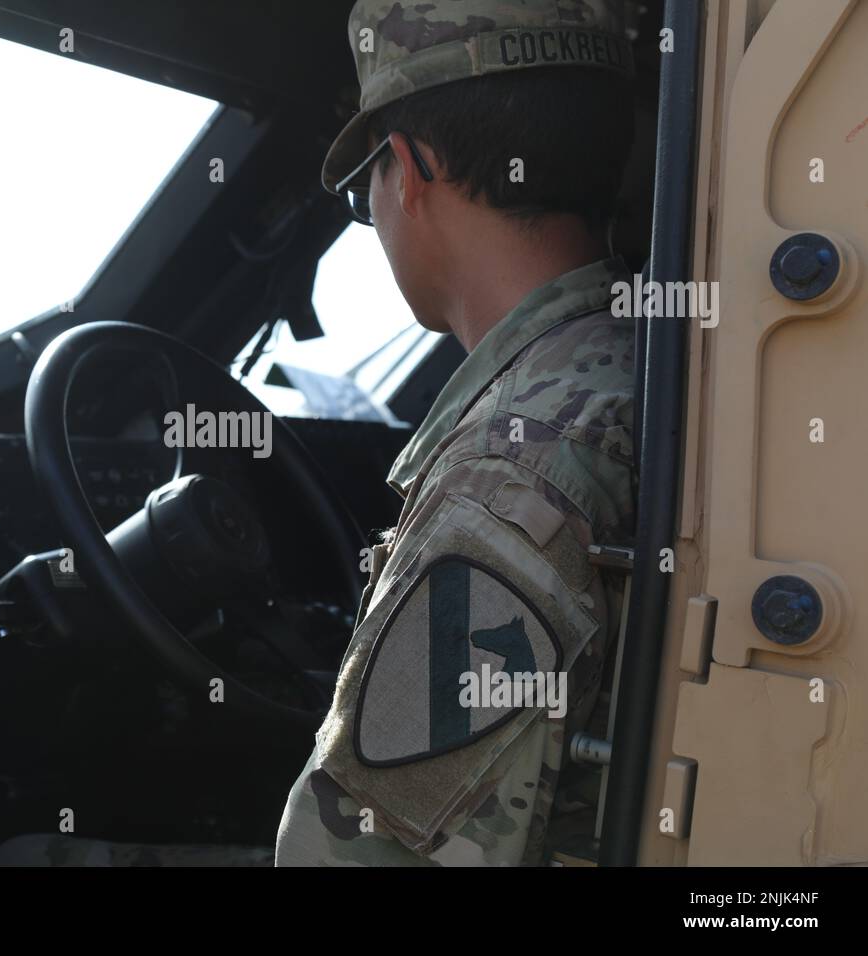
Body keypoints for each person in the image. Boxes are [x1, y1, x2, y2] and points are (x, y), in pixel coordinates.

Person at [273, 0, 640, 866]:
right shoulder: (656, 357)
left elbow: (361, 857)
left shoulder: (509, 472)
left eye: (366, 184)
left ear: (408, 169)